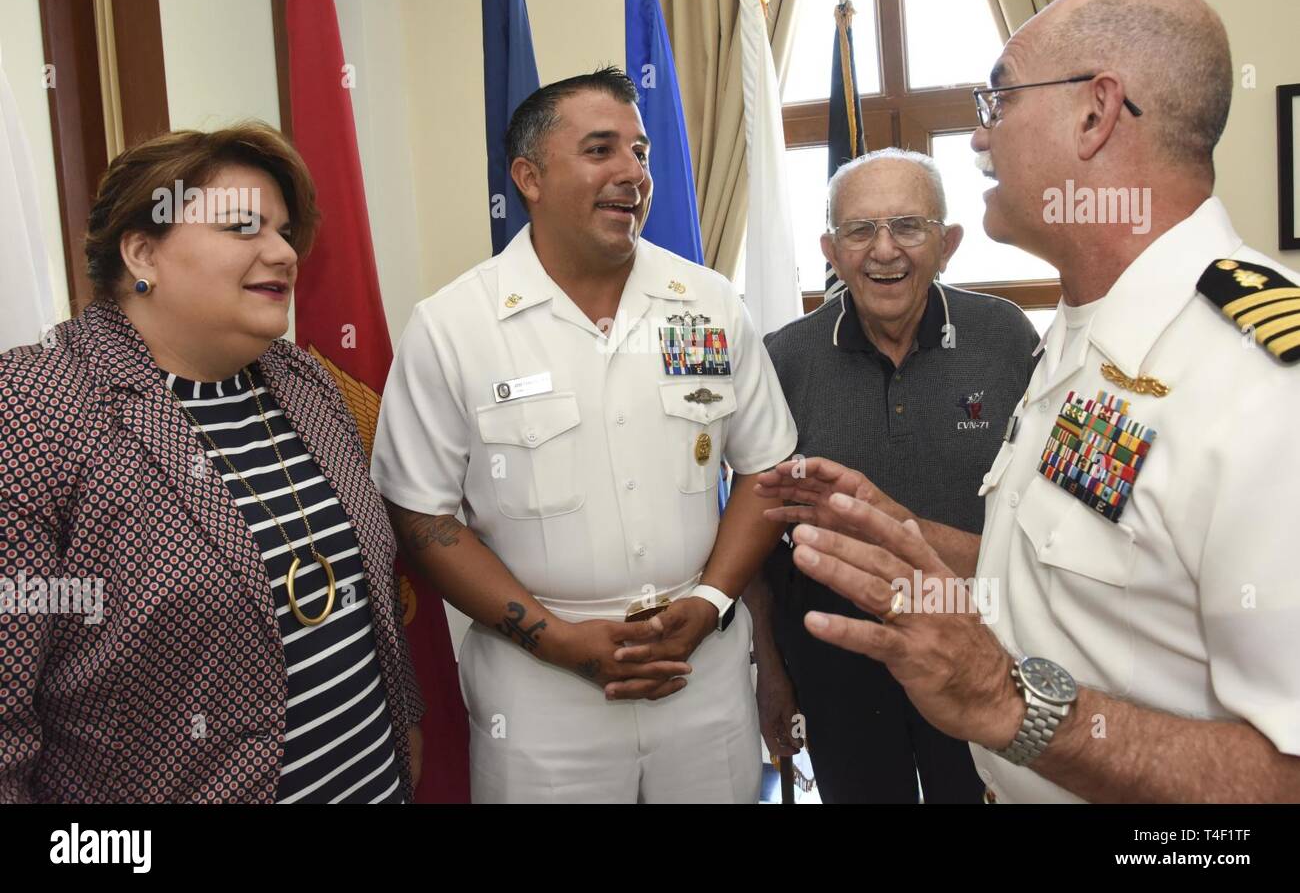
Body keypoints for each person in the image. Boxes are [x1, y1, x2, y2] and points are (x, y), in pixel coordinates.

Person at [756, 0, 1300, 802]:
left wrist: (1007, 703)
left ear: (1095, 113)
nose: (978, 137)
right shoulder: (1087, 338)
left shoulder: (1259, 385)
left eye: (997, 99)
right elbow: (1060, 581)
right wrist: (903, 529)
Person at [371, 67, 797, 803]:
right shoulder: (453, 328)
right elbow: (420, 516)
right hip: (540, 697)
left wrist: (711, 603)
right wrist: (556, 638)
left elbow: (765, 470)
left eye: (641, 152)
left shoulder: (707, 303)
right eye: (601, 150)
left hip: (699, 676)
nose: (633, 172)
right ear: (528, 176)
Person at [0, 124, 426, 803]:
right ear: (143, 252)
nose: (283, 252)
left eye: (285, 232)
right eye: (242, 228)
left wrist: (402, 722)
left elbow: (367, 593)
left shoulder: (304, 383)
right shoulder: (35, 407)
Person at [750, 148, 1037, 803]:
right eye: (859, 230)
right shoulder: (784, 359)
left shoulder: (1005, 336)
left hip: (977, 639)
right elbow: (758, 538)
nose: (885, 251)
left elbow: (1045, 515)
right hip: (836, 653)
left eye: (909, 226)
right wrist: (770, 666)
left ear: (947, 243)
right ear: (831, 247)